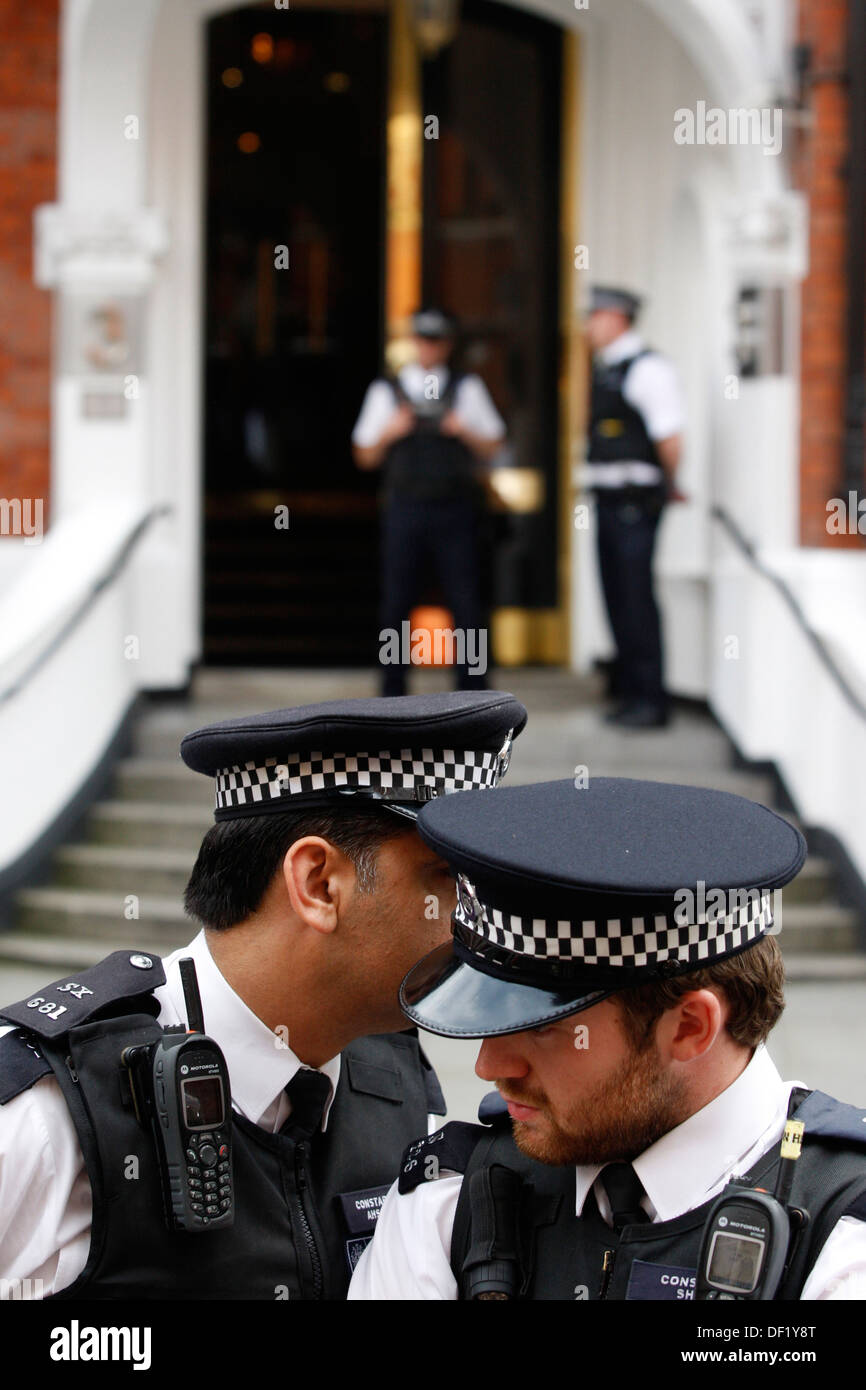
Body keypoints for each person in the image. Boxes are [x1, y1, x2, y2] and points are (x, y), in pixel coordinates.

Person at [0, 690, 526, 1300]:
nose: (478, 922)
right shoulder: (47, 1111)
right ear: (319, 884)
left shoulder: (394, 1072)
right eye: (449, 879)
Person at [349, 777, 866, 1300]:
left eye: (542, 1026)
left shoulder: (846, 1237)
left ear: (690, 1028)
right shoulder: (447, 1198)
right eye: (494, 1018)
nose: (490, 1064)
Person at [352, 308, 506, 697]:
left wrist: (463, 429)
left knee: (466, 601)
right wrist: (391, 431)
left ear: (448, 345)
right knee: (396, 602)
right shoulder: (388, 390)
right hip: (406, 507)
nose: (428, 348)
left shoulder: (466, 388)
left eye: (436, 341)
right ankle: (392, 690)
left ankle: (473, 690)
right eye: (422, 339)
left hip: (455, 508)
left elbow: (494, 445)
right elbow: (364, 455)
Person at [584, 286, 686, 729]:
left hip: (634, 501)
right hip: (608, 499)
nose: (588, 327)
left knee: (635, 597)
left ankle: (650, 699)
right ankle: (629, 692)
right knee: (616, 597)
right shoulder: (607, 369)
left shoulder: (648, 369)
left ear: (617, 318)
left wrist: (671, 482)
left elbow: (670, 437)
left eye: (595, 317)